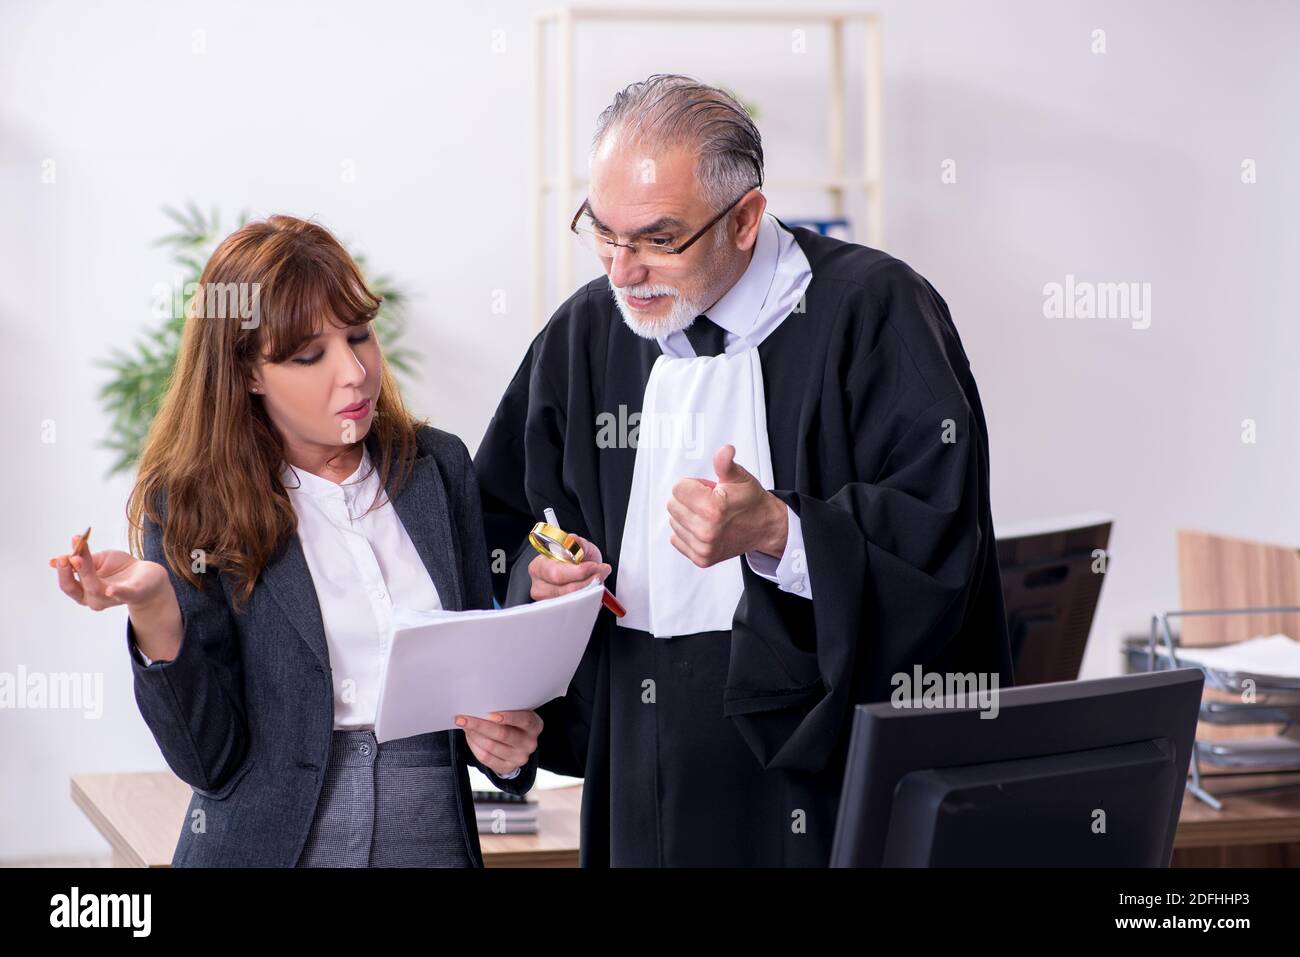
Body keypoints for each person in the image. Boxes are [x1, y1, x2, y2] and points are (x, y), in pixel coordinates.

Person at [475, 75, 1013, 866]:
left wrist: (779, 530)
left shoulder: (872, 311)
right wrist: (539, 576)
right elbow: (500, 523)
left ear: (746, 219)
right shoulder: (587, 333)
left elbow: (939, 537)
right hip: (641, 774)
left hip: (823, 778)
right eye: (603, 232)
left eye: (659, 239)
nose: (624, 272)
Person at [50, 214, 540, 867]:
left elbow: (486, 667)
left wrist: (507, 744)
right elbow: (210, 761)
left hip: (432, 841)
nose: (355, 372)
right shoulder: (193, 501)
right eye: (310, 355)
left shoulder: (437, 468)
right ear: (247, 372)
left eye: (360, 335)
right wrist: (155, 612)